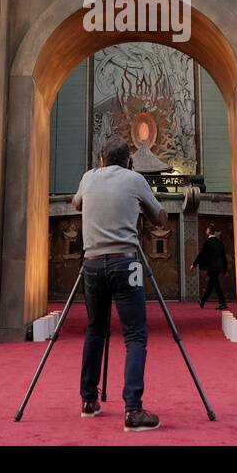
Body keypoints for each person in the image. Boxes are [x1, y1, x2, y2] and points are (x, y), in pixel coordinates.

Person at [72, 140, 166, 432]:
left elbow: (77, 203)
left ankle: (89, 400)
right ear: (129, 161)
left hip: (92, 264)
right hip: (127, 263)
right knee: (135, 334)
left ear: (101, 159)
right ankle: (133, 410)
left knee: (95, 329)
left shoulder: (88, 177)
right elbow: (159, 216)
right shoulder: (135, 179)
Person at [191, 226, 229, 310]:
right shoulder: (220, 242)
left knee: (215, 283)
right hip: (219, 267)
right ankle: (202, 300)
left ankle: (222, 302)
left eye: (207, 229)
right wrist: (225, 269)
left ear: (209, 231)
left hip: (212, 267)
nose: (206, 230)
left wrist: (194, 264)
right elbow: (223, 256)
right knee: (211, 284)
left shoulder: (207, 242)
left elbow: (201, 254)